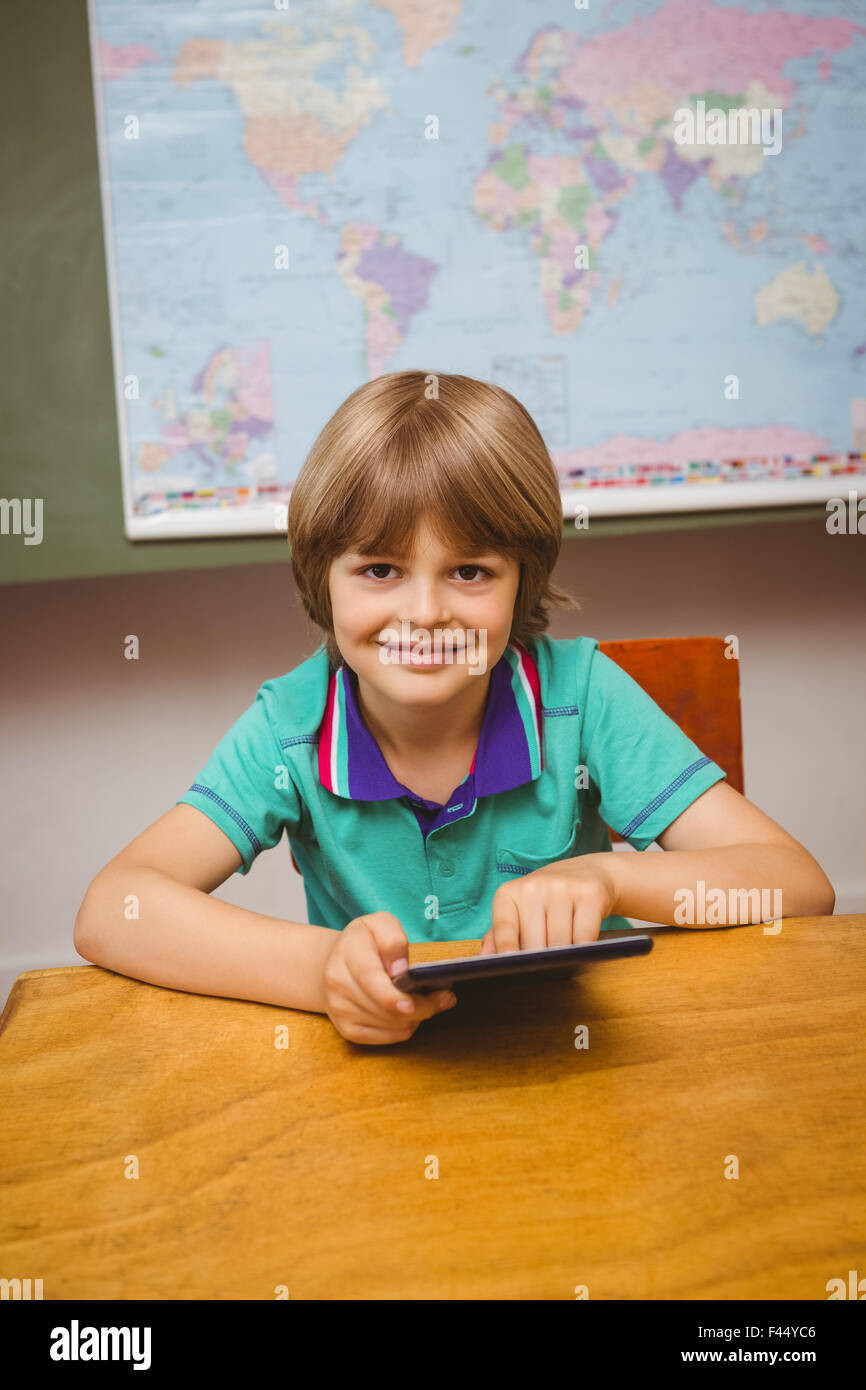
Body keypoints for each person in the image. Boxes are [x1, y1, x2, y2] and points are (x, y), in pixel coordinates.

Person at [73, 370, 835, 1045]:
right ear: (322, 576)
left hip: (581, 1054)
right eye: (380, 568)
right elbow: (114, 910)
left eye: (469, 570)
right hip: (385, 1077)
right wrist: (324, 974)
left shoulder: (583, 695)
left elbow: (795, 884)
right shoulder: (290, 728)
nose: (425, 612)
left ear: (522, 581)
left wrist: (607, 880)